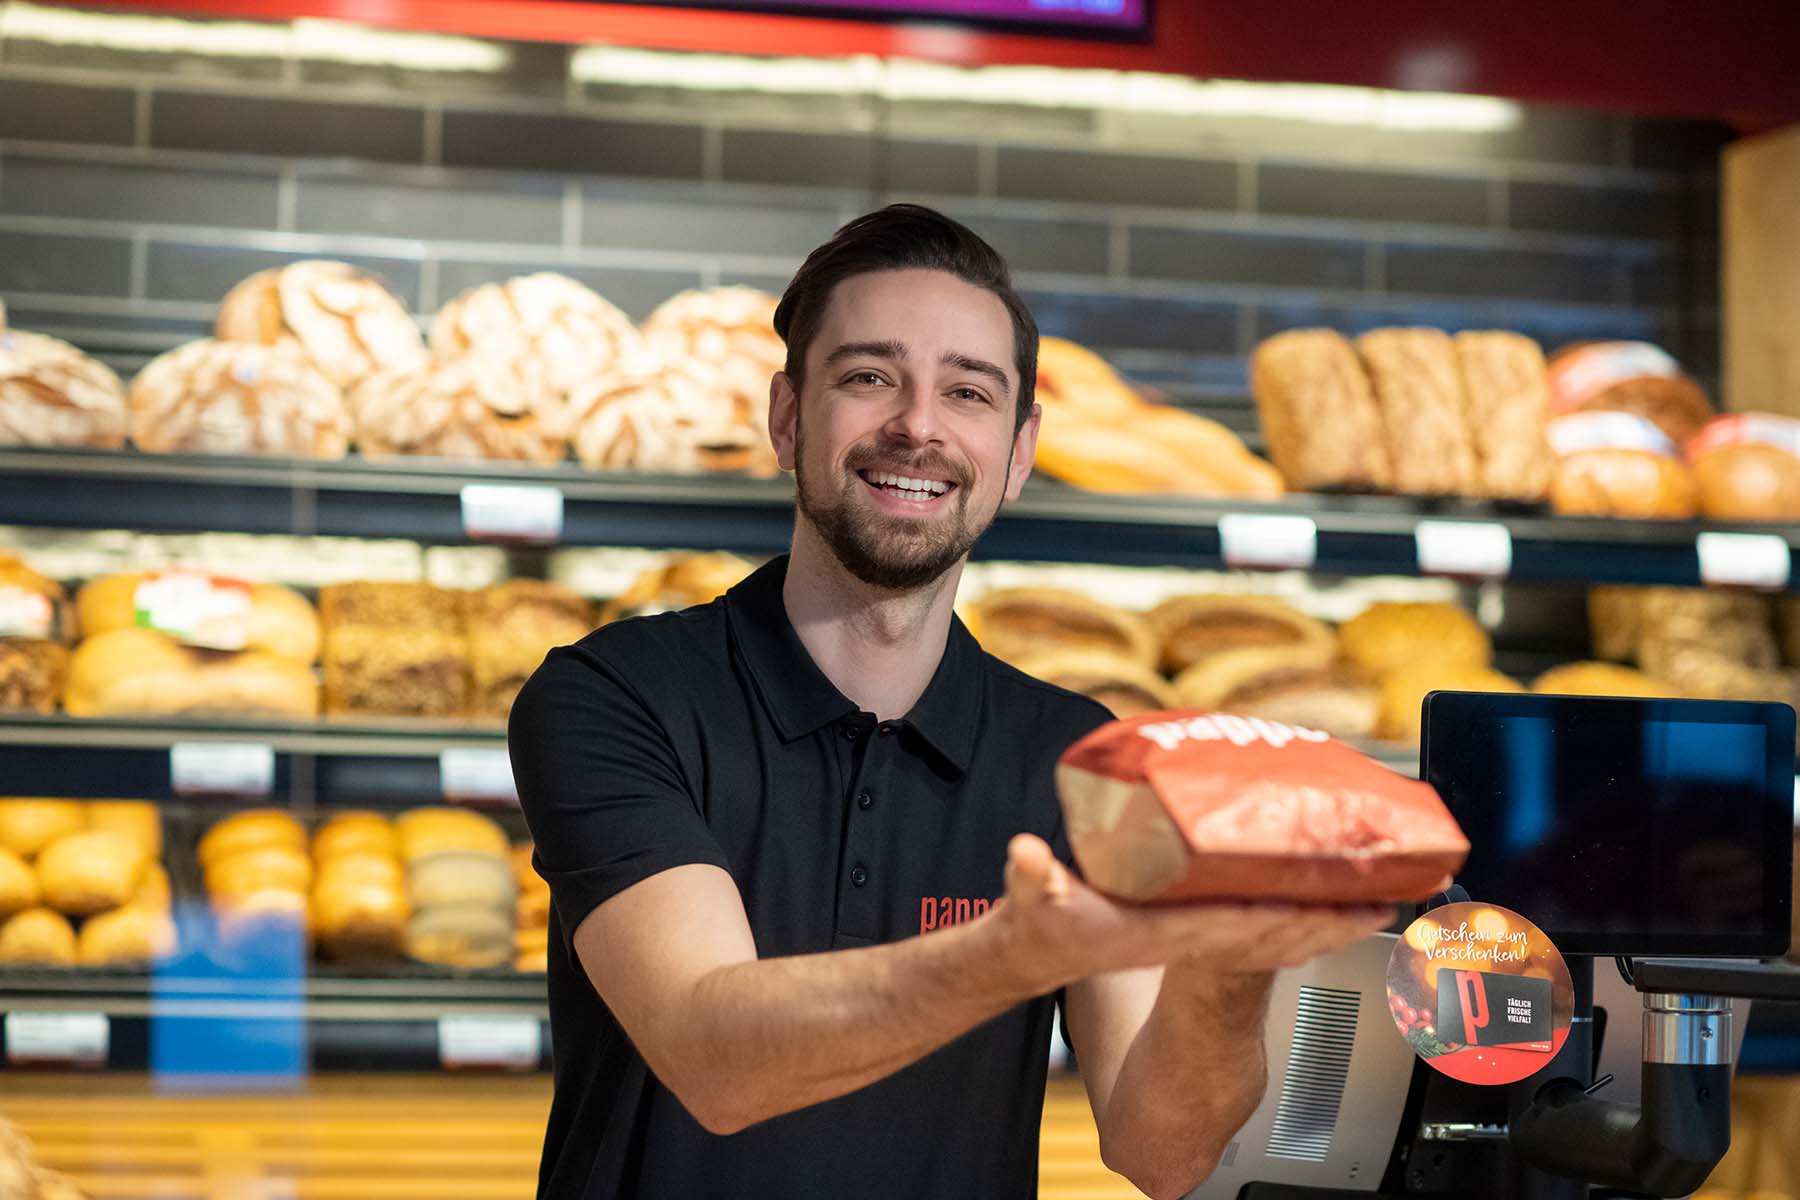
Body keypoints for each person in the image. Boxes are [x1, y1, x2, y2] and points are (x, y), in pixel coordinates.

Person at [509, 204, 1392, 1200]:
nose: (918, 426)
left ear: (1019, 454)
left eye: (968, 392)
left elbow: (1161, 1149)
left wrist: (1232, 967)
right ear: (789, 418)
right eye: (868, 377)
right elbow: (718, 1060)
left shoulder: (1078, 757)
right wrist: (1007, 952)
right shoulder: (615, 697)